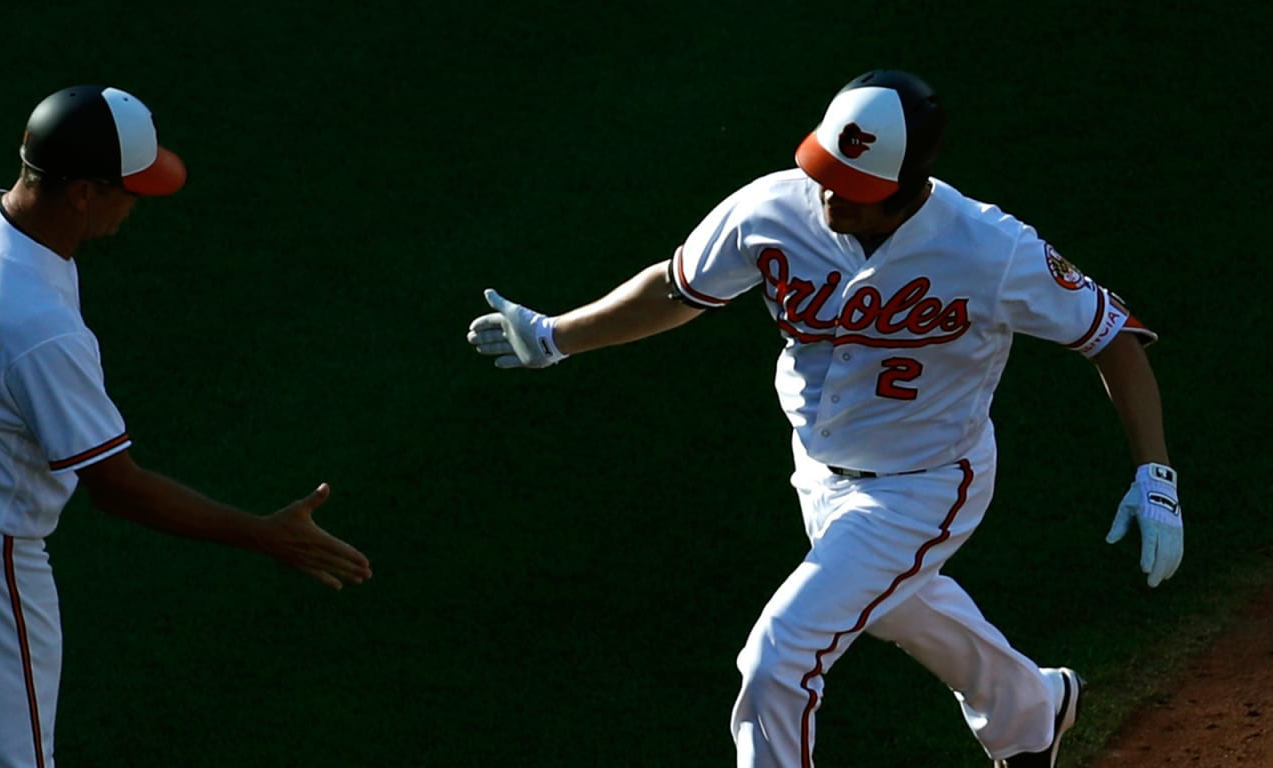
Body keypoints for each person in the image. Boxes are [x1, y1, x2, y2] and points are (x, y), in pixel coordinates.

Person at [466, 69, 1183, 768]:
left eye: (852, 190)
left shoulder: (990, 249)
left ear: (906, 194)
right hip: (817, 472)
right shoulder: (774, 208)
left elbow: (1111, 336)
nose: (826, 194)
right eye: (823, 171)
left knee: (779, 654)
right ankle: (1030, 708)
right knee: (894, 600)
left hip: (925, 486)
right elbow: (677, 287)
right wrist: (559, 336)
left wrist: (1154, 474)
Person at [0, 85, 373, 767]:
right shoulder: (39, 326)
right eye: (129, 188)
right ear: (83, 193)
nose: (139, 202)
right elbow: (115, 487)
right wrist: (265, 535)